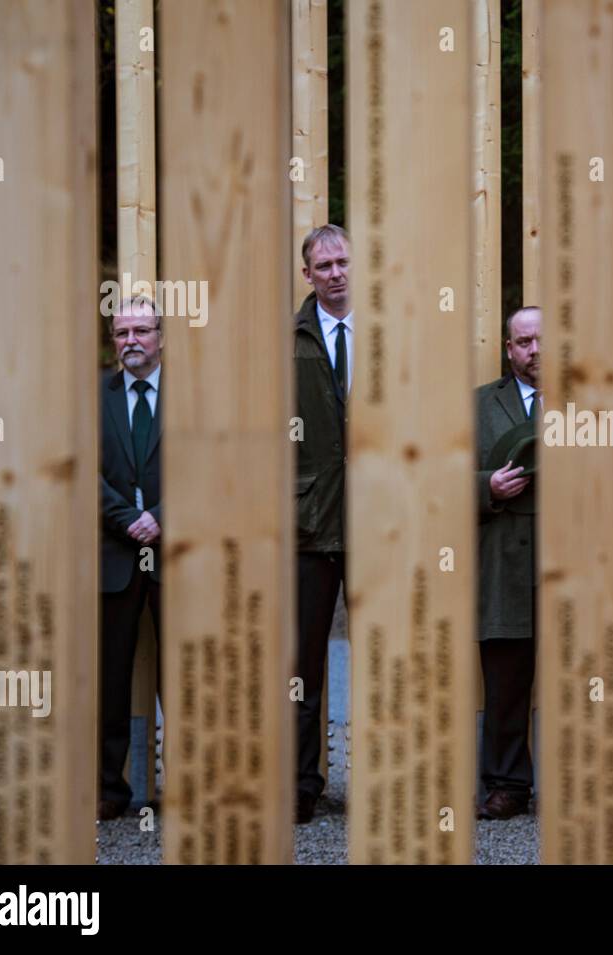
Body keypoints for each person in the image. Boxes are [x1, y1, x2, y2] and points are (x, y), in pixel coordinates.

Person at [292, 224, 352, 824]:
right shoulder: (289, 341)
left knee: (386, 656)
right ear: (307, 274)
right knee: (301, 664)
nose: (336, 274)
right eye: (324, 266)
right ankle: (301, 783)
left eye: (343, 263)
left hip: (375, 524)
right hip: (307, 525)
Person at [474, 306, 542, 820]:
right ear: (508, 349)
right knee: (505, 683)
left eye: (542, 340)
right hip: (502, 560)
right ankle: (506, 784)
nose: (534, 350)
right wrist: (486, 487)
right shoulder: (477, 405)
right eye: (523, 342)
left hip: (569, 562)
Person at [98, 295, 164, 820]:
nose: (131, 341)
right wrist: (126, 518)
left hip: (174, 555)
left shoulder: (188, 396)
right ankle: (109, 792)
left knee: (183, 676)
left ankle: (188, 789)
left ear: (161, 337)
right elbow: (85, 471)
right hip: (114, 554)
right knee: (111, 679)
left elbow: (204, 463)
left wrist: (164, 515)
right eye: (122, 333)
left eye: (141, 331)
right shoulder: (94, 395)